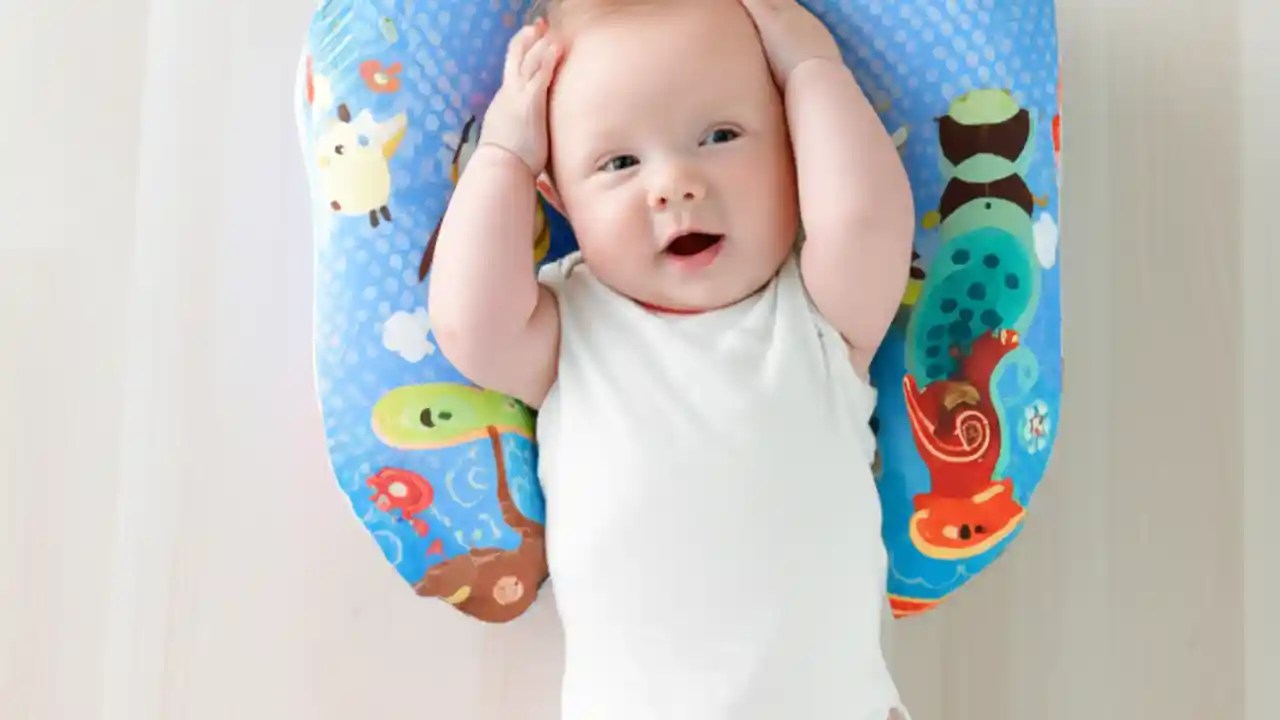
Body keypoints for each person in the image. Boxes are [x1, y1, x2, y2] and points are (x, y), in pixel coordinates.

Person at [428, 0, 914, 717]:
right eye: (619, 162)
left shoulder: (819, 314)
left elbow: (862, 218)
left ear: (792, 147)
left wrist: (813, 68)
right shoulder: (571, 331)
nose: (676, 183)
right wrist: (504, 153)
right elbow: (469, 322)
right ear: (556, 195)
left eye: (721, 135)